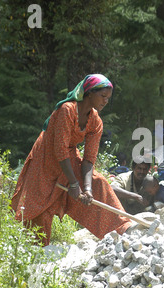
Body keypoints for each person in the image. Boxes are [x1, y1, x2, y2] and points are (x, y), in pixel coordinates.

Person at [12, 74, 132, 246]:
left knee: (99, 182)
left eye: (108, 98)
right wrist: (74, 184)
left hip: (68, 159)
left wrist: (87, 189)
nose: (105, 101)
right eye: (103, 96)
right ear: (89, 93)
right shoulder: (67, 110)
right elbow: (59, 150)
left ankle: (123, 229)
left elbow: (89, 159)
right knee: (41, 210)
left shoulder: (95, 121)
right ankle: (32, 251)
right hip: (45, 159)